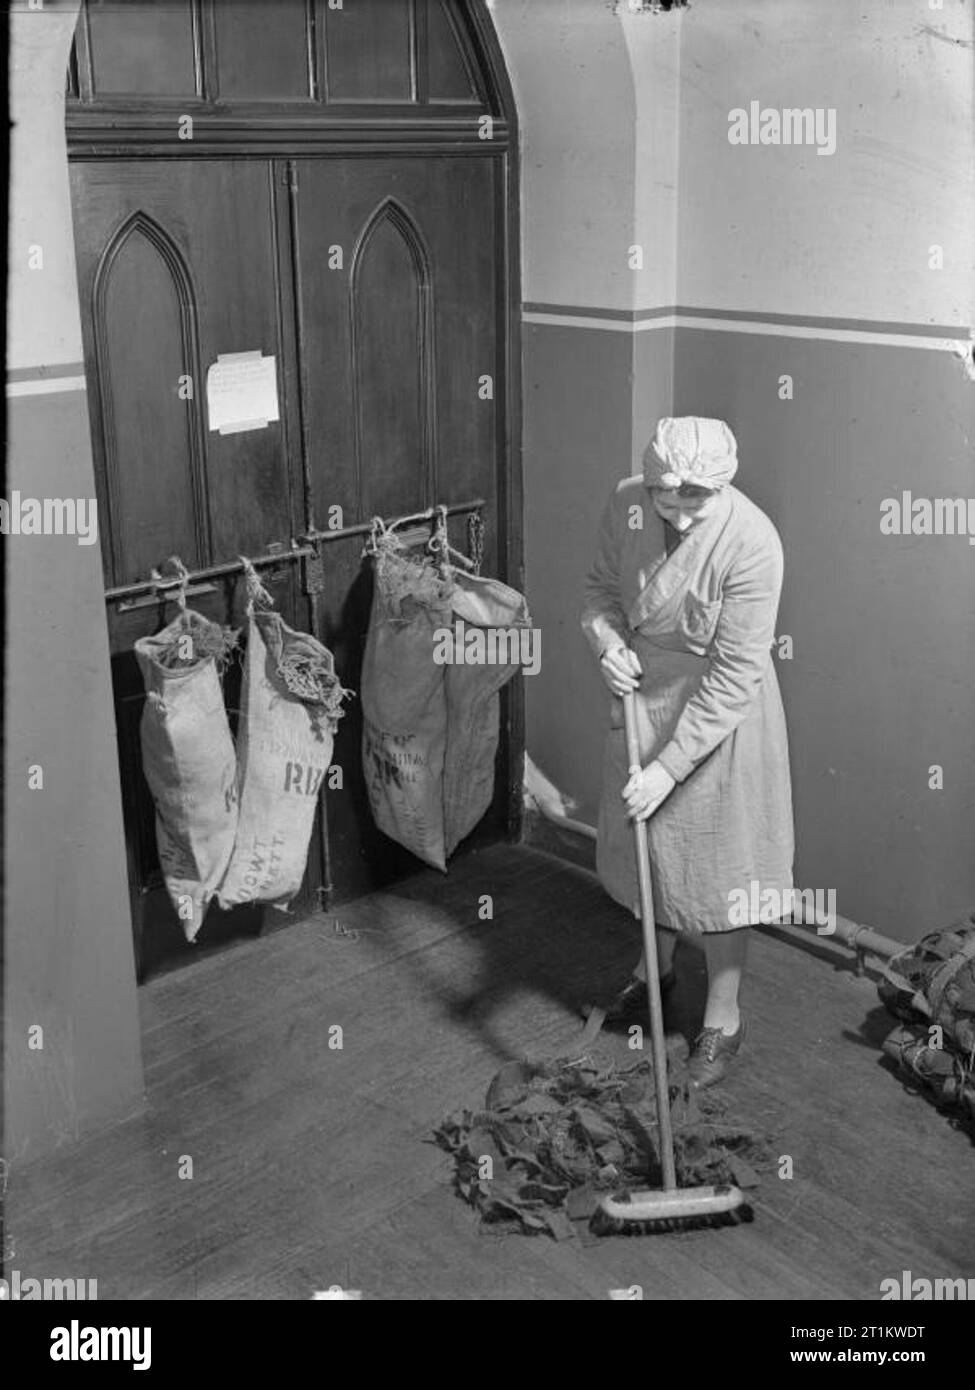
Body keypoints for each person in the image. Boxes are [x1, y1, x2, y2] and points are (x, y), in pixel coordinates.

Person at [581, 417, 795, 1088]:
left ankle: (722, 1018)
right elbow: (595, 591)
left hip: (717, 717)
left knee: (718, 873)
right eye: (662, 496)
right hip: (642, 697)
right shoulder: (626, 501)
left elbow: (735, 675)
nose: (673, 511)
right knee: (652, 854)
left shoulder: (753, 542)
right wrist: (607, 645)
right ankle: (655, 969)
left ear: (721, 485)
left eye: (692, 499)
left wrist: (669, 768)